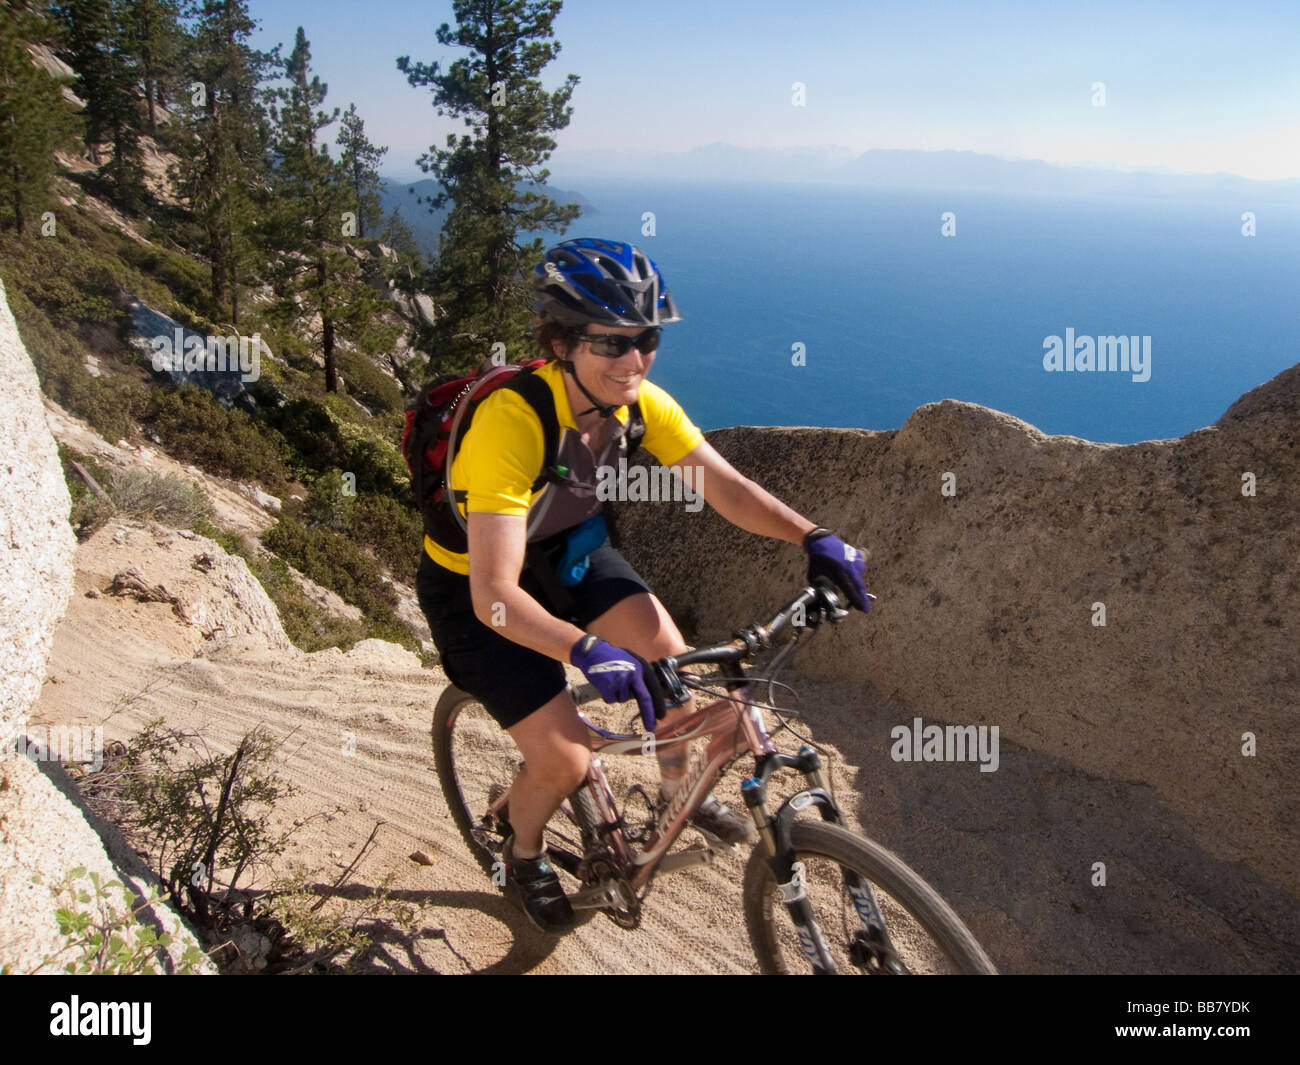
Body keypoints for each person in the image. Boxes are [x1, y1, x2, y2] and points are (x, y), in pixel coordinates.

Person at [416, 237, 871, 934]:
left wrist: (814, 537)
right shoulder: (513, 422)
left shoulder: (637, 404)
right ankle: (525, 847)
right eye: (611, 344)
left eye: (647, 339)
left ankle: (669, 801)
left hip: (567, 554)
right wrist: (584, 651)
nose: (634, 361)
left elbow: (727, 487)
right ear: (562, 343)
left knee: (670, 658)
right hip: (476, 591)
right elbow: (496, 596)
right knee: (566, 756)